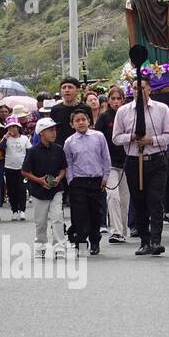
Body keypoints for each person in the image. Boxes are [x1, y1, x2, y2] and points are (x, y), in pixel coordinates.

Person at [112, 75, 169, 256]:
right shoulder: (123, 111)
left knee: (155, 200)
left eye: (142, 88)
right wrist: (132, 137)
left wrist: (151, 140)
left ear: (149, 89)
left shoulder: (162, 109)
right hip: (133, 161)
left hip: (156, 160)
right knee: (139, 202)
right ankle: (144, 241)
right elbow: (116, 138)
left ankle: (156, 241)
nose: (138, 91)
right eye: (134, 88)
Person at [63, 107, 110, 255]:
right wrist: (71, 180)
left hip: (96, 181)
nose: (81, 122)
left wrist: (105, 177)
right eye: (77, 120)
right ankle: (81, 244)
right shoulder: (69, 142)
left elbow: (105, 157)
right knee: (80, 215)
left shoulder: (99, 136)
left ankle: (95, 241)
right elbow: (68, 163)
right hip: (78, 182)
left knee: (96, 213)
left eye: (83, 119)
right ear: (72, 124)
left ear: (89, 121)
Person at [23, 117, 68, 258]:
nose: (54, 133)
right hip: (38, 191)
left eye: (55, 129)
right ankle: (40, 245)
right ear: (41, 132)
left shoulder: (59, 149)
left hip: (56, 190)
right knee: (40, 221)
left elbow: (63, 168)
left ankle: (60, 246)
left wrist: (59, 178)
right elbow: (25, 171)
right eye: (50, 130)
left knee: (58, 218)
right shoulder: (32, 151)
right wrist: (39, 180)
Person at [96, 86, 130, 245]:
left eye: (119, 99)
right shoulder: (104, 117)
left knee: (125, 199)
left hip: (127, 162)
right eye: (113, 99)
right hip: (109, 164)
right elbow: (98, 140)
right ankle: (116, 231)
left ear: (123, 100)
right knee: (112, 196)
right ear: (108, 100)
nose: (116, 102)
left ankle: (122, 230)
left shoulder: (129, 116)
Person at [0, 117, 30, 221]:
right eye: (9, 127)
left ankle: (22, 210)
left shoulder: (25, 138)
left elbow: (29, 152)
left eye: (14, 127)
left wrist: (28, 166)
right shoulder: (6, 139)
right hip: (9, 167)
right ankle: (14, 210)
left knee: (22, 189)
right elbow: (1, 147)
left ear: (18, 127)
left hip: (22, 168)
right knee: (12, 190)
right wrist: (6, 137)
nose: (12, 129)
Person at [49, 77, 83, 146]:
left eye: (70, 87)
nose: (67, 90)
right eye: (64, 88)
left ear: (78, 90)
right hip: (61, 149)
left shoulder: (85, 108)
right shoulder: (55, 109)